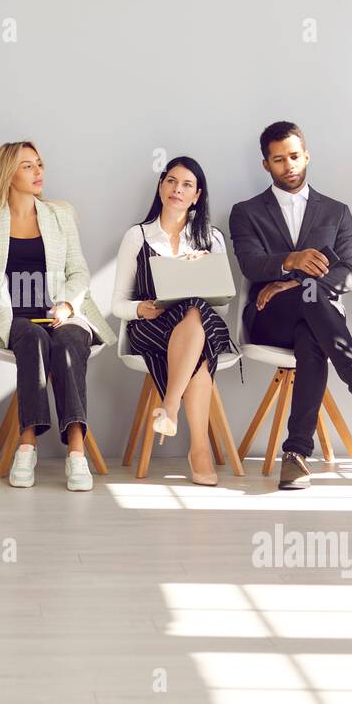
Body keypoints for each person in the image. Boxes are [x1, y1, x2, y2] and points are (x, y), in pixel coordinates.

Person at [229, 121, 352, 491]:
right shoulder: (245, 212)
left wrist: (288, 283)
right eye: (279, 160)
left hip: (313, 317)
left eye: (294, 156)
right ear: (266, 165)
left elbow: (347, 276)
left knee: (310, 336)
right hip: (267, 318)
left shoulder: (337, 212)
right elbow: (249, 264)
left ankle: (295, 456)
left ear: (306, 155)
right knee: (309, 304)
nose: (289, 165)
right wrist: (292, 261)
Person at [0, 141, 115, 491]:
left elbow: (79, 272)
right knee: (32, 339)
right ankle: (27, 444)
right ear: (8, 173)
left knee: (66, 343)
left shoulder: (58, 215)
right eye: (28, 166)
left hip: (62, 313)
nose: (38, 172)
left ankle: (76, 452)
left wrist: (66, 305)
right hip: (15, 317)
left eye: (39, 164)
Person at [111, 156, 235, 486]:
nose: (177, 190)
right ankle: (199, 450)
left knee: (195, 311)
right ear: (160, 186)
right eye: (171, 181)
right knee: (198, 349)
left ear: (197, 196)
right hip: (152, 328)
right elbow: (118, 304)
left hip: (203, 327)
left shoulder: (212, 239)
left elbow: (221, 310)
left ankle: (170, 406)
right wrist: (141, 309)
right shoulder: (137, 237)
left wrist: (202, 271)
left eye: (186, 185)